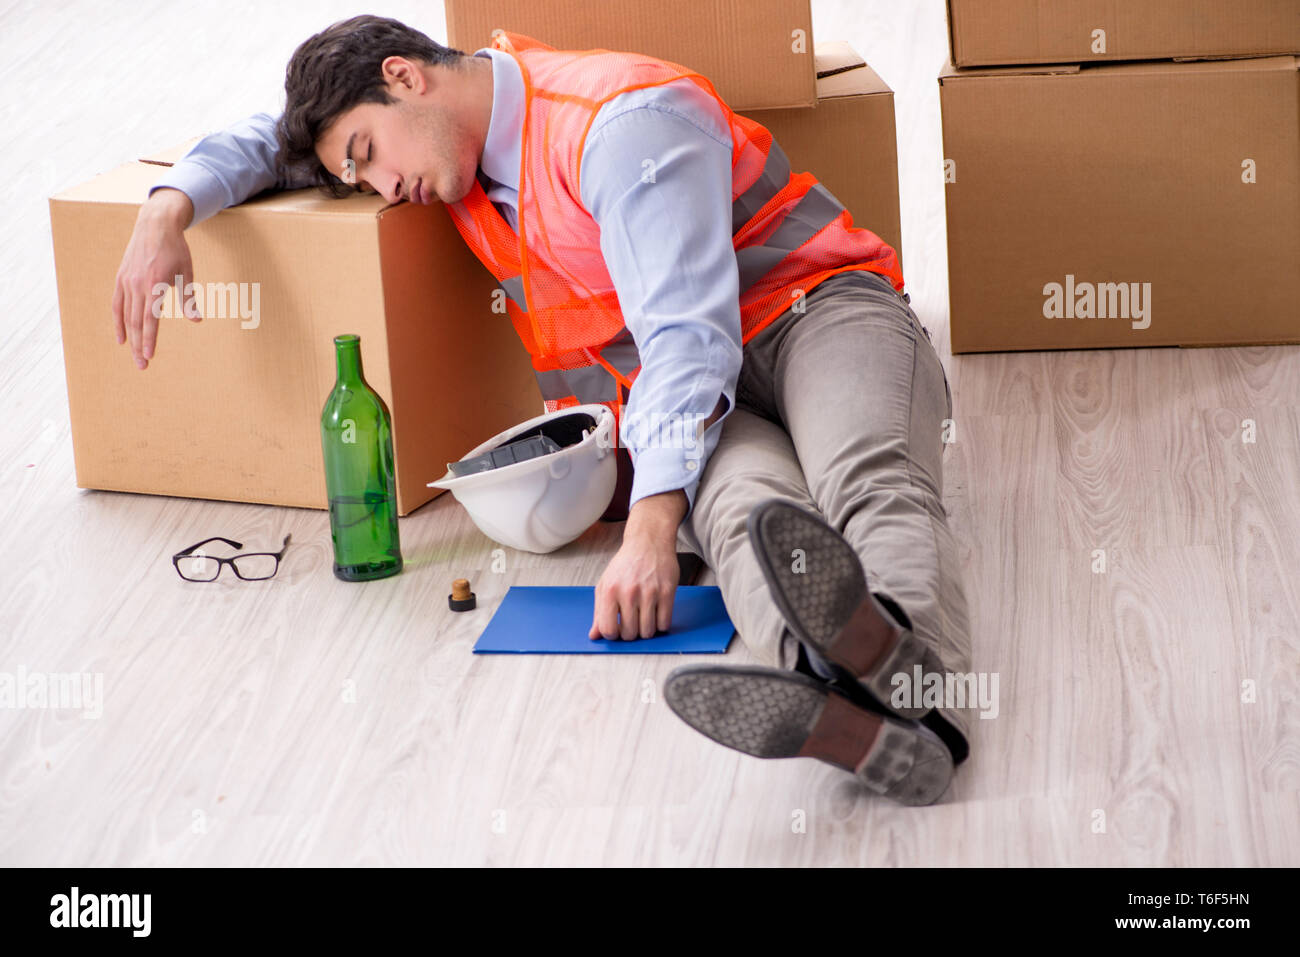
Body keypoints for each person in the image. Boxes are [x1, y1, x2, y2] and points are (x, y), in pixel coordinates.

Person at [112, 15, 973, 805]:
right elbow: (271, 140)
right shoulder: (439, 154)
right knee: (750, 518)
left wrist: (646, 529)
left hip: (810, 312)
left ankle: (897, 663)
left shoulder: (621, 120)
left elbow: (688, 339)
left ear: (406, 75)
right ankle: (847, 707)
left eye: (369, 154)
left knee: (866, 471)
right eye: (355, 173)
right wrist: (167, 210)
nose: (379, 186)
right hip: (690, 406)